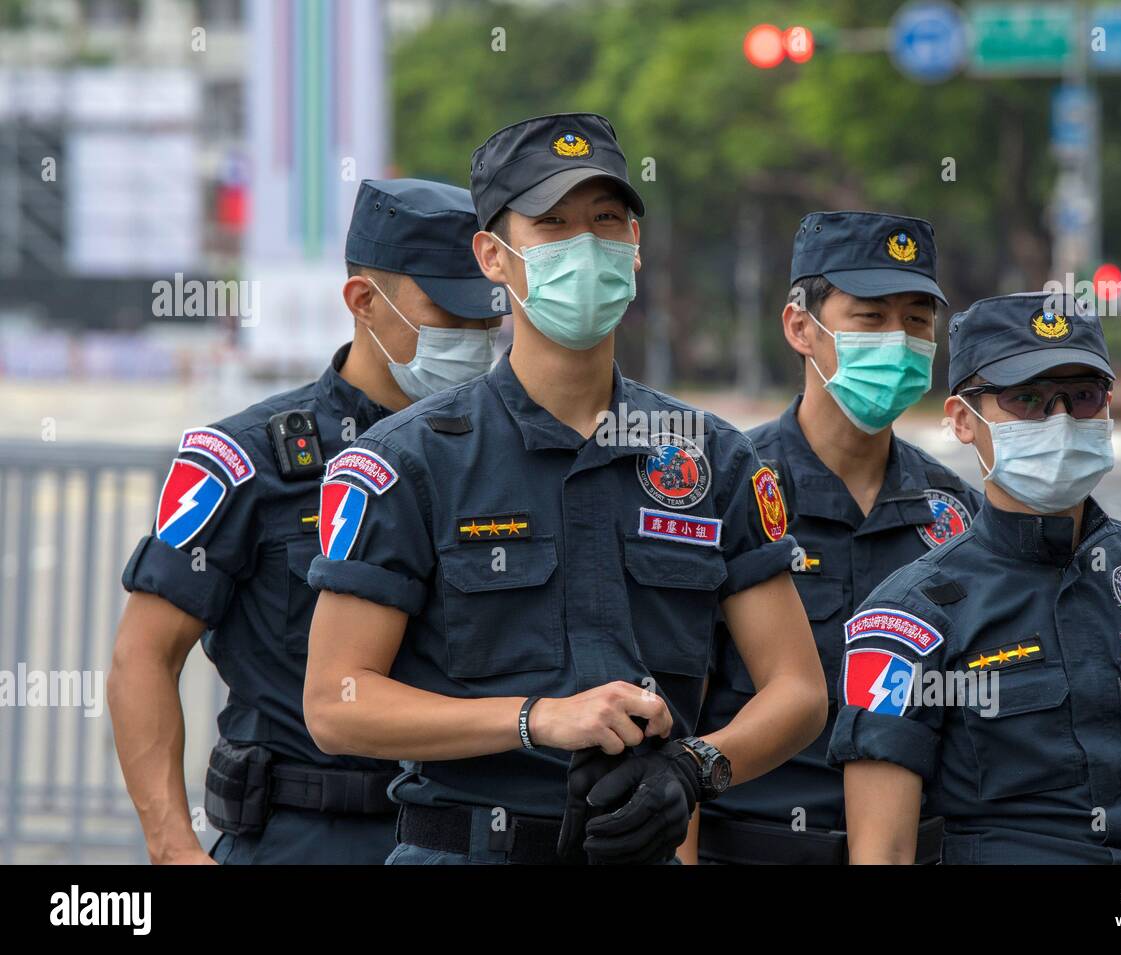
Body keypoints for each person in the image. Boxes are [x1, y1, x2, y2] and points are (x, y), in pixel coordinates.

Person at [302, 112, 826, 866]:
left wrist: (695, 766)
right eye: (552, 223)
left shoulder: (713, 457)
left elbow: (799, 691)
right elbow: (334, 702)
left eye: (607, 219)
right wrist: (537, 719)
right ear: (493, 255)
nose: (587, 244)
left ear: (635, 247)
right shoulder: (410, 461)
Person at [108, 179, 503, 864]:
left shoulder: (498, 460)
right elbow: (143, 655)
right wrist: (173, 847)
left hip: (458, 837)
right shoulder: (246, 459)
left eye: (484, 320)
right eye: (448, 313)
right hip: (302, 834)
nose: (471, 338)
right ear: (363, 301)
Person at [832, 292, 1121, 864]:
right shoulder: (913, 615)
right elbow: (885, 852)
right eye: (1027, 399)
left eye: (1082, 397)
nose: (1059, 420)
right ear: (961, 419)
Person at [687, 211, 981, 865]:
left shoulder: (956, 511)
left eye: (916, 321)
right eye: (870, 318)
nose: (899, 342)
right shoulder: (728, 490)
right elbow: (678, 722)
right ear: (801, 328)